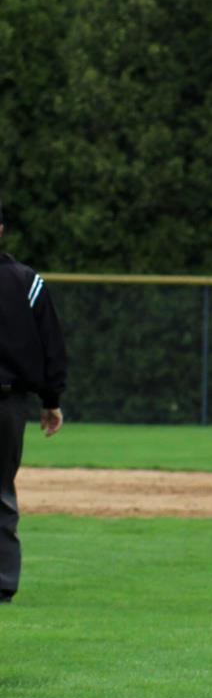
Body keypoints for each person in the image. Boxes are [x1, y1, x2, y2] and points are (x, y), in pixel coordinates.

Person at [0, 194, 66, 605]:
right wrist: (50, 398)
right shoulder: (26, 281)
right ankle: (3, 581)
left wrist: (50, 397)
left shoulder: (28, 281)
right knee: (1, 492)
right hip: (8, 404)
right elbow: (51, 346)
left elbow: (51, 345)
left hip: (8, 402)